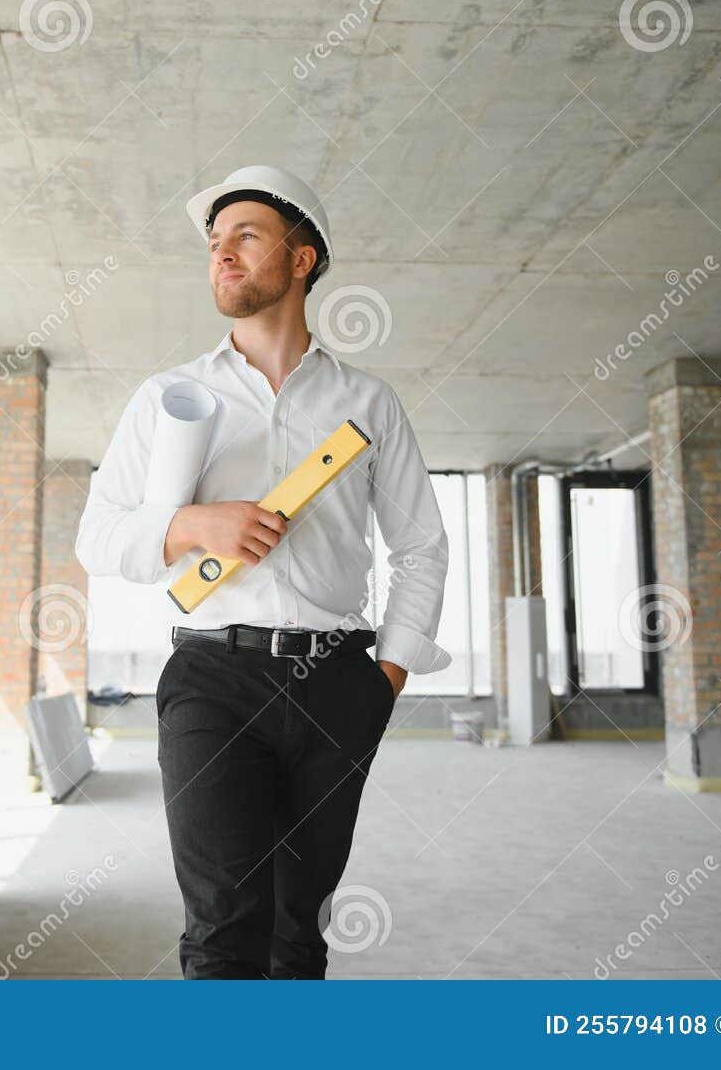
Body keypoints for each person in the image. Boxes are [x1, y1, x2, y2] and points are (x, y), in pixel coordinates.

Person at [74, 165, 451, 978]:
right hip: (214, 679)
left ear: (302, 259)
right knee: (222, 929)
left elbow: (421, 548)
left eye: (245, 236)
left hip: (337, 682)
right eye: (215, 242)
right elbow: (97, 539)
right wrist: (191, 524)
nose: (222, 253)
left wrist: (383, 680)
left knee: (297, 934)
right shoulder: (169, 394)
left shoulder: (368, 404)